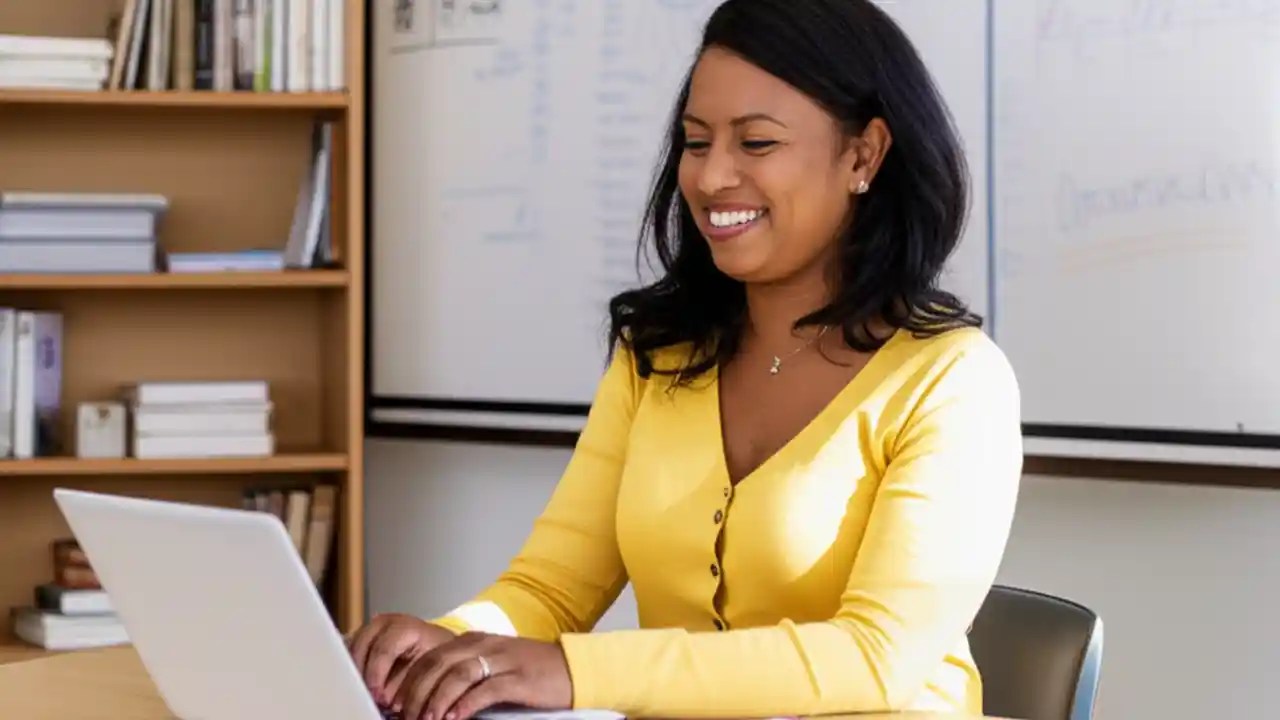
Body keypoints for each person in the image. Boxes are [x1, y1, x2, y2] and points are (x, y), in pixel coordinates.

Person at [348, 0, 1023, 718]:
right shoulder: (657, 357)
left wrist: (576, 672)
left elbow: (875, 655)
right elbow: (548, 591)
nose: (709, 177)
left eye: (756, 144)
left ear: (863, 155)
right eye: (696, 142)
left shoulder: (954, 382)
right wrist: (448, 648)